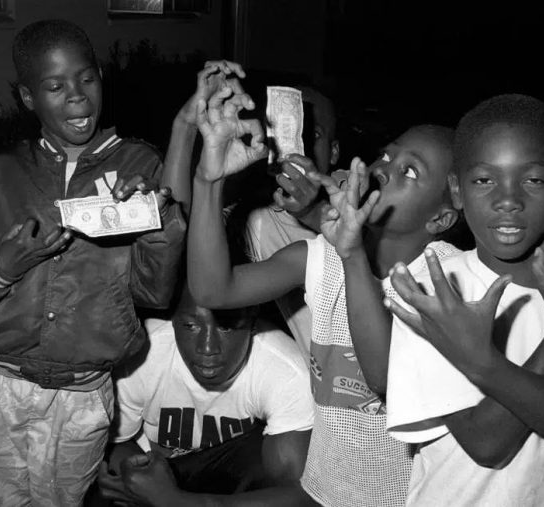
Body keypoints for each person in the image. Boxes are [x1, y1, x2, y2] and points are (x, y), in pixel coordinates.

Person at [0, 19, 185, 506]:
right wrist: (3, 263)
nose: (77, 96)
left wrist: (155, 218)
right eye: (55, 86)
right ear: (29, 97)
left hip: (82, 394)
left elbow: (154, 293)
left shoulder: (139, 169)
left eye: (87, 79)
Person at [186, 83, 460, 506]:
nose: (384, 168)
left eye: (410, 171)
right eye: (385, 155)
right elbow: (211, 289)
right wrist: (209, 180)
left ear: (441, 217)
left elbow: (385, 379)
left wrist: (349, 251)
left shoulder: (450, 278)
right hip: (323, 490)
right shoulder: (319, 257)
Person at [382, 94, 544, 505]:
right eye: (484, 179)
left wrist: (479, 362)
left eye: (534, 180)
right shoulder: (430, 287)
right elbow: (487, 444)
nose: (508, 200)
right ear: (456, 190)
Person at [96, 280, 314, 505]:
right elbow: (115, 442)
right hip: (159, 474)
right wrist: (130, 478)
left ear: (252, 319)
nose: (207, 348)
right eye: (190, 326)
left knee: (262, 458)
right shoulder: (142, 353)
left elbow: (300, 495)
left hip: (227, 490)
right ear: (173, 318)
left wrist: (174, 501)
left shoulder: (285, 370)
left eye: (226, 326)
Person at [243, 85, 341, 357]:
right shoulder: (259, 219)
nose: (300, 144)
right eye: (287, 131)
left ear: (333, 152)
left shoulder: (366, 207)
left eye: (313, 133)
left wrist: (314, 212)